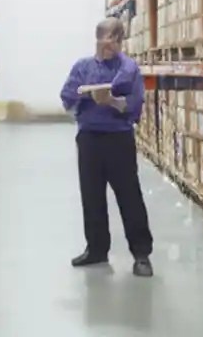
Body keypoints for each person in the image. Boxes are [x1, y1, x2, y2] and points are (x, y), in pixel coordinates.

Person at [60, 17, 154, 277]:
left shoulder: (128, 69)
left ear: (121, 40)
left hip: (118, 139)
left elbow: (135, 107)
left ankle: (141, 254)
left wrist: (111, 101)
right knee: (91, 196)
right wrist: (85, 95)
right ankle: (97, 248)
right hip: (89, 139)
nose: (106, 43)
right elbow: (66, 98)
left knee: (129, 195)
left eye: (112, 38)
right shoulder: (83, 68)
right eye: (102, 37)